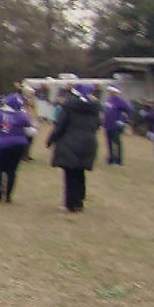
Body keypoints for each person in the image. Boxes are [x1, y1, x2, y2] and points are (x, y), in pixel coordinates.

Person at [46, 83, 102, 213]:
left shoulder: (69, 107)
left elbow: (60, 126)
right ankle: (79, 202)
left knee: (70, 174)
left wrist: (51, 140)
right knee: (80, 173)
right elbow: (97, 125)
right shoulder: (94, 109)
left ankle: (69, 204)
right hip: (88, 143)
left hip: (70, 142)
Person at [0, 93, 36, 203]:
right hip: (19, 146)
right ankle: (8, 196)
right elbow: (31, 132)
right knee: (12, 171)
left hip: (1, 145)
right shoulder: (23, 115)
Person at [102, 85, 135, 165]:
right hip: (107, 125)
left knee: (116, 143)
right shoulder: (108, 100)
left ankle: (118, 160)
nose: (110, 93)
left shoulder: (120, 101)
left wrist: (125, 121)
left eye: (111, 91)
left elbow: (129, 110)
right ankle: (111, 158)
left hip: (116, 125)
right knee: (109, 143)